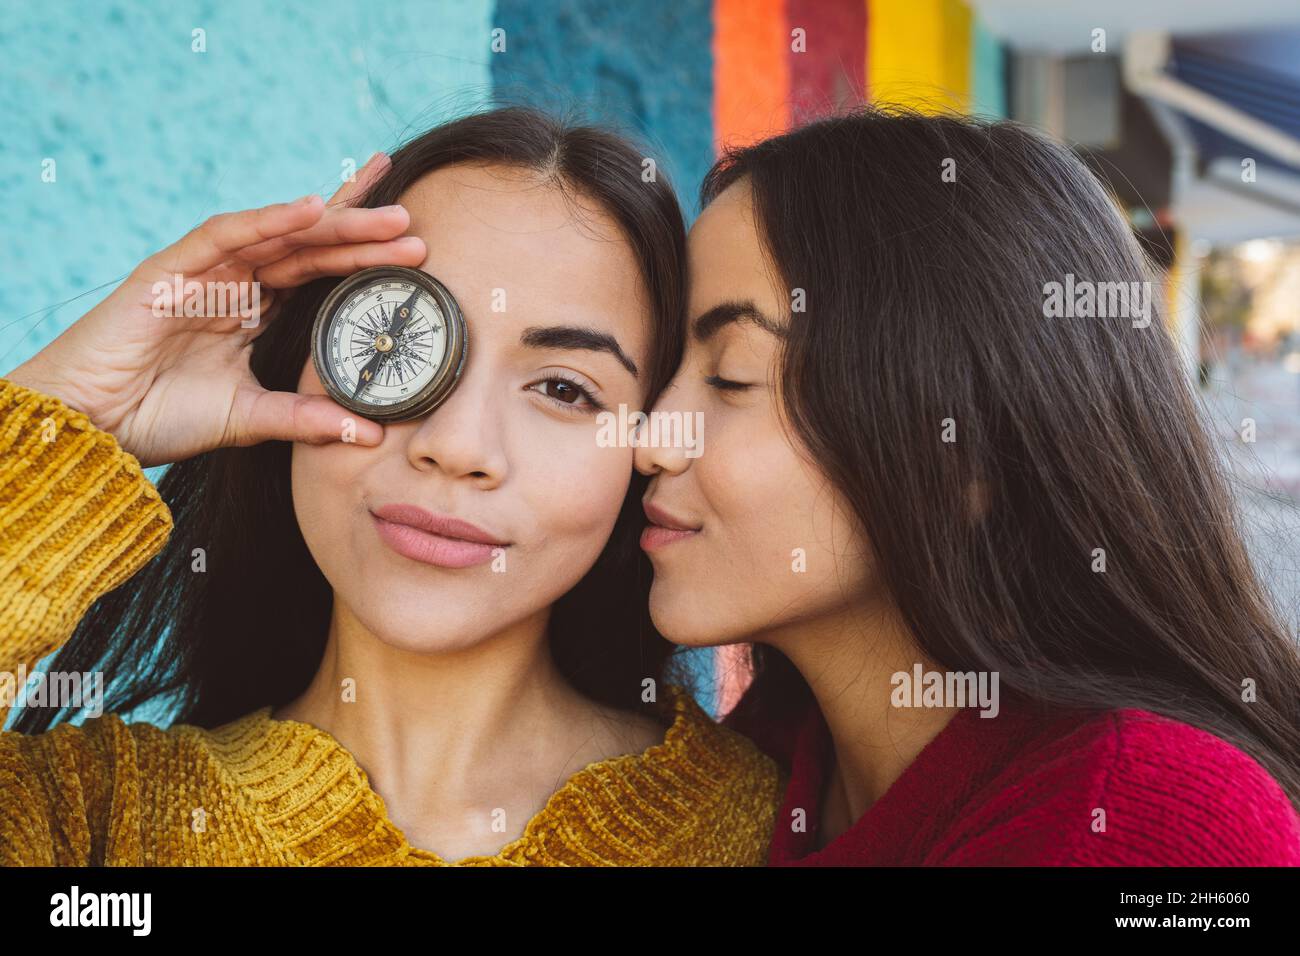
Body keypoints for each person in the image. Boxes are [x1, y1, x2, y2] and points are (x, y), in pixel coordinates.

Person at [0, 107, 782, 866]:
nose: (456, 446)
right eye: (394, 340)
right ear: (300, 367)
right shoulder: (88, 822)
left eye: (564, 389)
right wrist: (59, 420)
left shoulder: (774, 829)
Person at [634, 106, 1300, 865]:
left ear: (965, 460)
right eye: (663, 373)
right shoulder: (756, 768)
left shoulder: (1141, 823)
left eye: (730, 374)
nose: (650, 438)